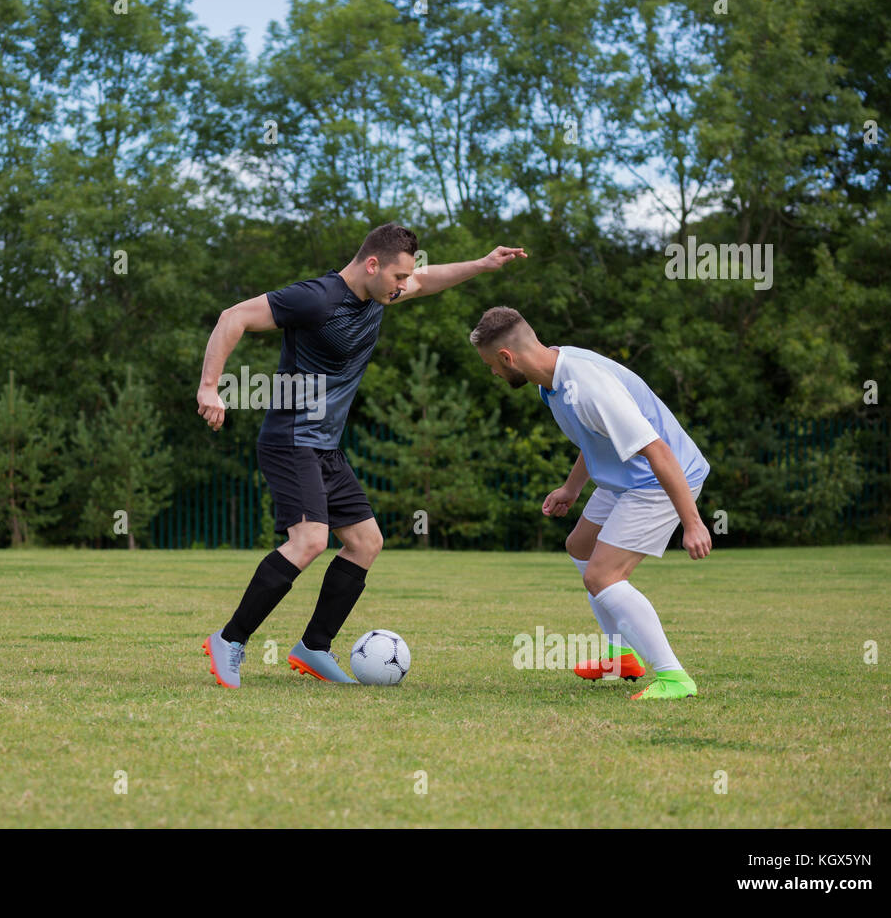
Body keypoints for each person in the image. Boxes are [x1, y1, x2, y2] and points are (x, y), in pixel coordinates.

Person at [196, 223, 526, 687]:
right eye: (397, 278)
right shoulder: (316, 298)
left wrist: (483, 264)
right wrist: (210, 387)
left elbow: (427, 280)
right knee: (309, 540)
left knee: (366, 543)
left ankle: (313, 647)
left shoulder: (380, 294)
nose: (403, 287)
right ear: (372, 265)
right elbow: (233, 317)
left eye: (405, 279)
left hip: (325, 447)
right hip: (292, 439)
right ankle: (229, 640)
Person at [469, 306, 710, 700]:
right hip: (625, 478)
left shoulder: (588, 388)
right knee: (579, 546)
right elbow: (594, 439)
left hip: (658, 480)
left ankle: (674, 678)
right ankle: (621, 657)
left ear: (507, 358)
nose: (493, 374)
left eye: (491, 366)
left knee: (602, 577)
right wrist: (571, 489)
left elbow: (659, 451)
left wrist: (693, 523)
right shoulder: (550, 381)